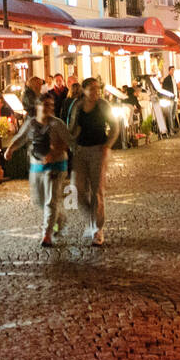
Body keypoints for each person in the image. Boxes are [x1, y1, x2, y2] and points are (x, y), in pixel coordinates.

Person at [4, 91, 74, 246]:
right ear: (38, 106)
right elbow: (21, 137)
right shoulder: (31, 123)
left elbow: (70, 143)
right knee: (39, 199)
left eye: (51, 105)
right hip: (37, 165)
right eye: (46, 105)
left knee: (50, 200)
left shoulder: (57, 124)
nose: (49, 108)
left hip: (56, 166)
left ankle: (47, 235)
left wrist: (55, 151)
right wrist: (10, 149)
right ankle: (59, 219)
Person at [67, 77, 117, 246]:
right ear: (84, 90)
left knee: (96, 190)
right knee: (77, 189)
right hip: (80, 151)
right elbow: (71, 128)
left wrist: (107, 145)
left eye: (97, 89)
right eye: (92, 89)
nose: (96, 92)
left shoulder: (103, 106)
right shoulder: (77, 106)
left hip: (98, 150)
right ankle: (92, 217)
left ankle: (97, 229)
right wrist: (71, 146)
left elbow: (115, 126)